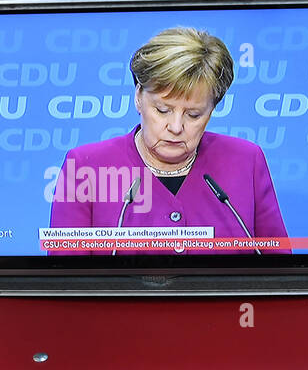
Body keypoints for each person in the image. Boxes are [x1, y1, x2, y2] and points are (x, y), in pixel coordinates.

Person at [48, 27, 288, 254]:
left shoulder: (245, 161)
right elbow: (67, 282)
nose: (176, 127)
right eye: (163, 110)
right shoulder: (85, 166)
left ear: (212, 110)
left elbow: (280, 272)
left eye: (193, 114)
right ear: (138, 97)